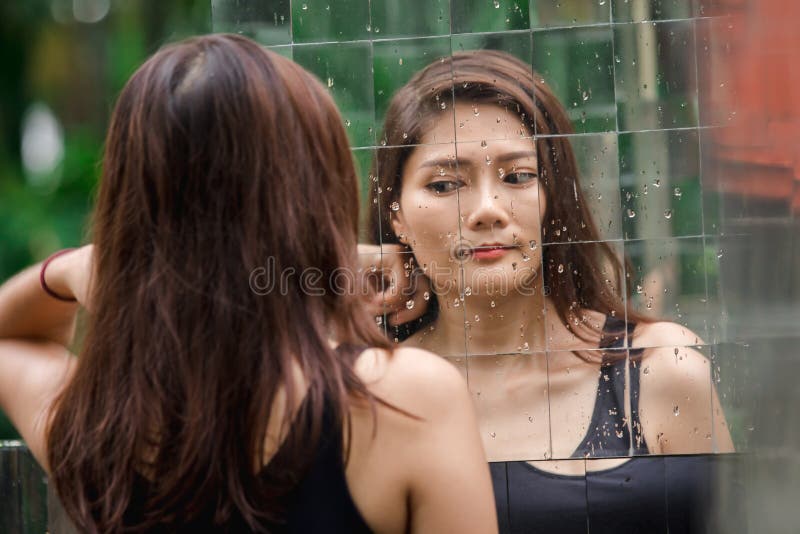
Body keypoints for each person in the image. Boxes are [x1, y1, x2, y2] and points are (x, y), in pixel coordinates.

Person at [0, 34, 497, 533]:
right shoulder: (404, 400)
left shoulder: (94, 427)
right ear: (316, 193)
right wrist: (317, 271)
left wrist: (68, 269)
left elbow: (8, 337)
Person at [365, 50, 734, 533]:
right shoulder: (368, 395)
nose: (486, 210)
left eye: (518, 176)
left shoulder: (662, 370)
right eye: (445, 184)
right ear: (396, 215)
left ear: (552, 199)